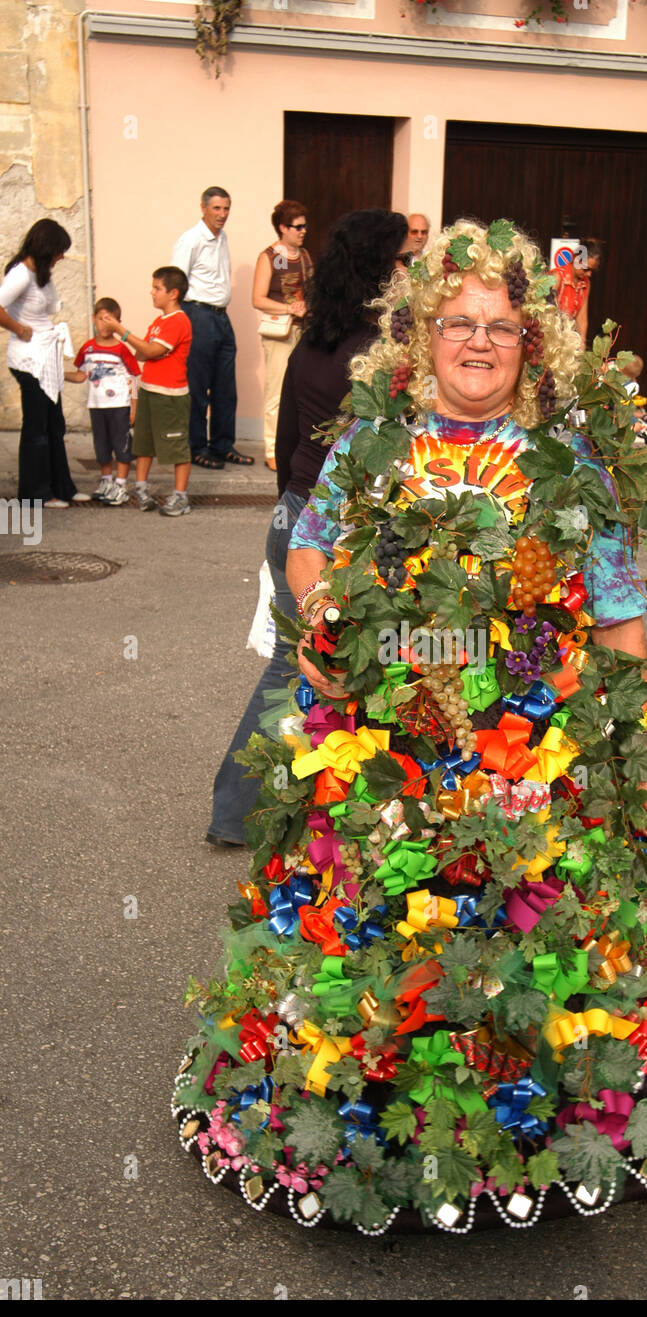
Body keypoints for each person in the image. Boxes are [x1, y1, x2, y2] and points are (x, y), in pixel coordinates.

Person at [177, 219, 647, 1234]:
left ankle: (538, 1126)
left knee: (545, 940)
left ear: (531, 343)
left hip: (538, 756)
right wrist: (325, 605)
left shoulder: (568, 457)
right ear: (421, 334)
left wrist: (636, 755)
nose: (477, 340)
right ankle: (380, 1119)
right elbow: (308, 547)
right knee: (379, 942)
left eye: (500, 326)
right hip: (392, 752)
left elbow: (618, 609)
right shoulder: (372, 442)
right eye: (457, 321)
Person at [206, 210, 409, 846]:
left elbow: (290, 432)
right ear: (380, 267)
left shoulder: (316, 339)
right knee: (323, 667)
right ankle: (275, 818)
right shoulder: (384, 353)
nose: (410, 269)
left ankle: (249, 814)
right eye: (402, 258)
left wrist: (292, 521)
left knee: (297, 665)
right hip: (342, 526)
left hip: (297, 512)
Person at [0, 218, 88, 507]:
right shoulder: (21, 274)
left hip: (44, 358)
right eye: (59, 251)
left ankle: (62, 487)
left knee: (55, 426)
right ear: (46, 247)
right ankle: (36, 493)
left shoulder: (41, 274)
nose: (62, 257)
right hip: (28, 360)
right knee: (37, 428)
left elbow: (47, 309)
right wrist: (18, 328)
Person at [99, 266, 193, 516]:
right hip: (150, 390)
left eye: (157, 288)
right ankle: (141, 488)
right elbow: (143, 350)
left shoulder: (179, 321)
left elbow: (150, 351)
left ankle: (181, 496)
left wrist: (121, 330)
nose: (151, 292)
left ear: (173, 293)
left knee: (176, 446)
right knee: (144, 442)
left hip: (170, 395)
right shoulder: (158, 322)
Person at [171, 187, 254, 470]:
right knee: (198, 385)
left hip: (221, 315)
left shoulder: (222, 237)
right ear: (203, 208)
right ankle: (196, 446)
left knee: (225, 386)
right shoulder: (190, 240)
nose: (222, 214)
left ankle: (222, 445)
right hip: (198, 314)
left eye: (226, 208)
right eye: (217, 208)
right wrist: (183, 322)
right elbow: (176, 284)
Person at [252, 200, 313, 472]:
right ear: (282, 227)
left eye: (304, 226)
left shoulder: (305, 256)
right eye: (297, 227)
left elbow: (311, 289)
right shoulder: (269, 257)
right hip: (279, 332)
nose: (303, 231)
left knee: (301, 389)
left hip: (303, 329)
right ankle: (271, 448)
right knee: (276, 392)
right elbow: (258, 298)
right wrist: (289, 308)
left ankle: (294, 446)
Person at [64, 297, 140, 502]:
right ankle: (106, 481)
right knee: (102, 445)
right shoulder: (88, 348)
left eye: (110, 320)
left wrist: (134, 407)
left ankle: (121, 485)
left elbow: (134, 377)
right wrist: (59, 374)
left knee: (122, 445)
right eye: (100, 319)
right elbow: (81, 375)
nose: (104, 324)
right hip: (96, 406)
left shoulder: (121, 349)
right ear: (93, 319)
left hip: (119, 406)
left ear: (118, 323)